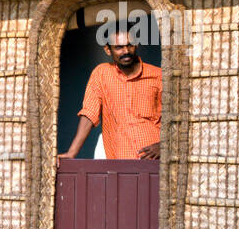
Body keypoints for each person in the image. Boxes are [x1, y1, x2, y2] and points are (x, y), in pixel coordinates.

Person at [59, 27, 162, 160]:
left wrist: (164, 146)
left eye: (129, 45)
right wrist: (71, 152)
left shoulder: (158, 75)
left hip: (156, 161)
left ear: (136, 44)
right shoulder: (101, 74)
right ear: (108, 50)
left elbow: (174, 117)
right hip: (120, 160)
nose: (126, 51)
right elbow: (89, 113)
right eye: (118, 47)